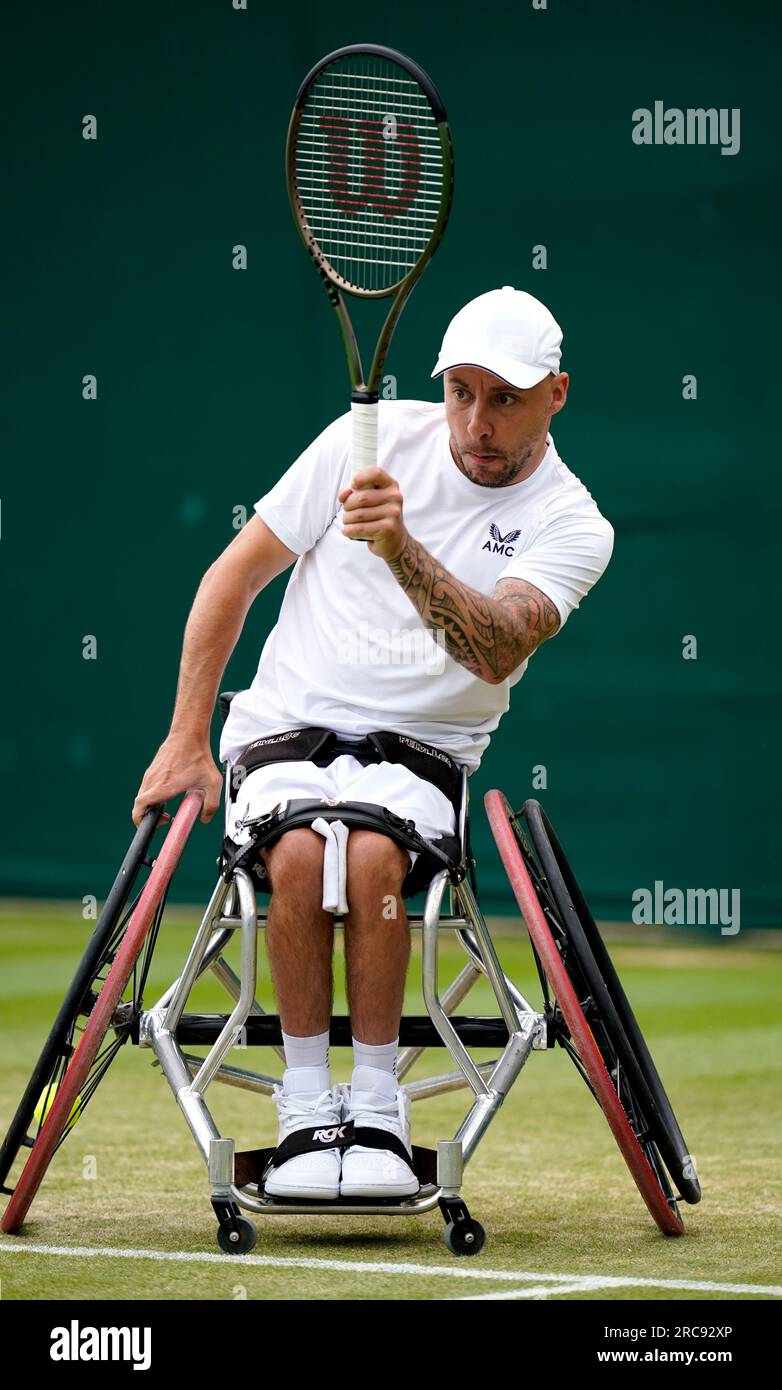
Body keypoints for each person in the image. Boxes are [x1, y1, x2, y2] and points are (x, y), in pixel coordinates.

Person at [131, 286, 614, 1201]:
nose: (476, 421)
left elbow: (498, 643)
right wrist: (186, 736)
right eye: (461, 392)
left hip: (424, 751)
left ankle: (380, 1109)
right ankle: (309, 1106)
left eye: (505, 398)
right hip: (284, 727)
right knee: (302, 852)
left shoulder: (575, 523)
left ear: (557, 395)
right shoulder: (366, 439)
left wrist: (400, 548)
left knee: (373, 860)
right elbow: (231, 578)